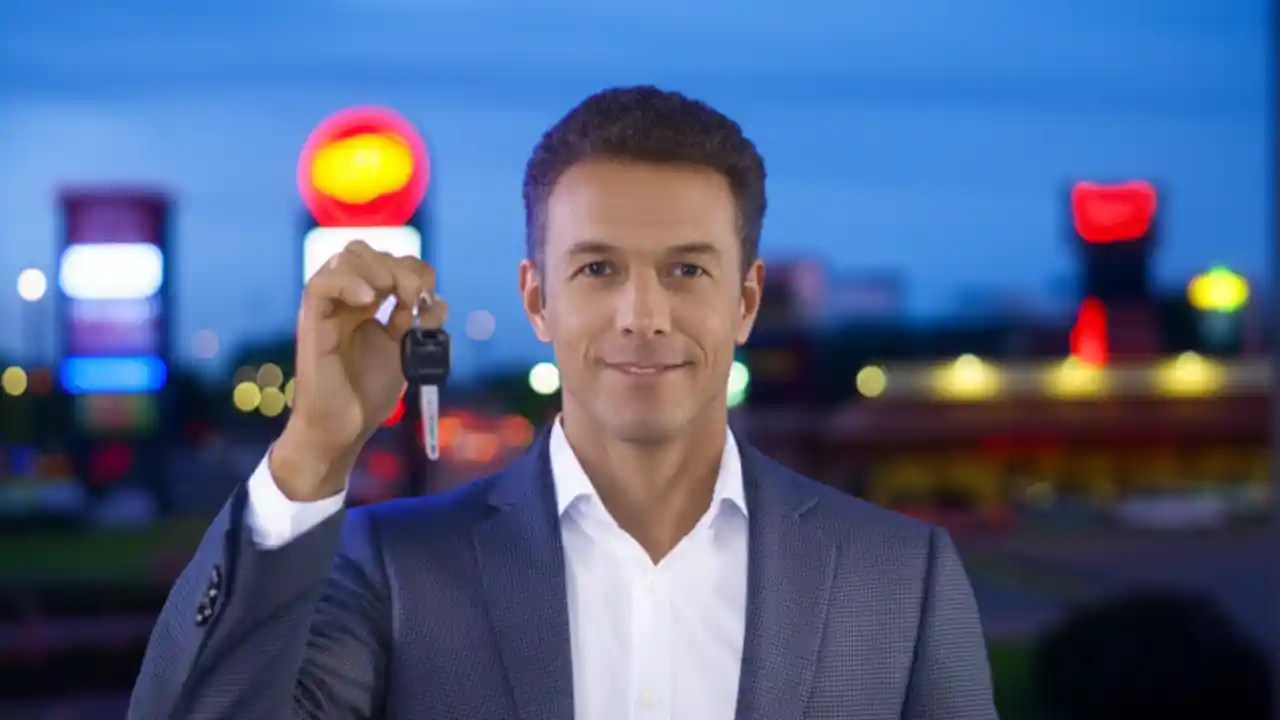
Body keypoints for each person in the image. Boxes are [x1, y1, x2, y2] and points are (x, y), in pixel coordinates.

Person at [128, 85, 997, 719]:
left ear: (746, 300)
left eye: (687, 269)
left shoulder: (902, 581)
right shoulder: (391, 572)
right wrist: (315, 448)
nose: (643, 316)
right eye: (599, 268)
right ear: (536, 299)